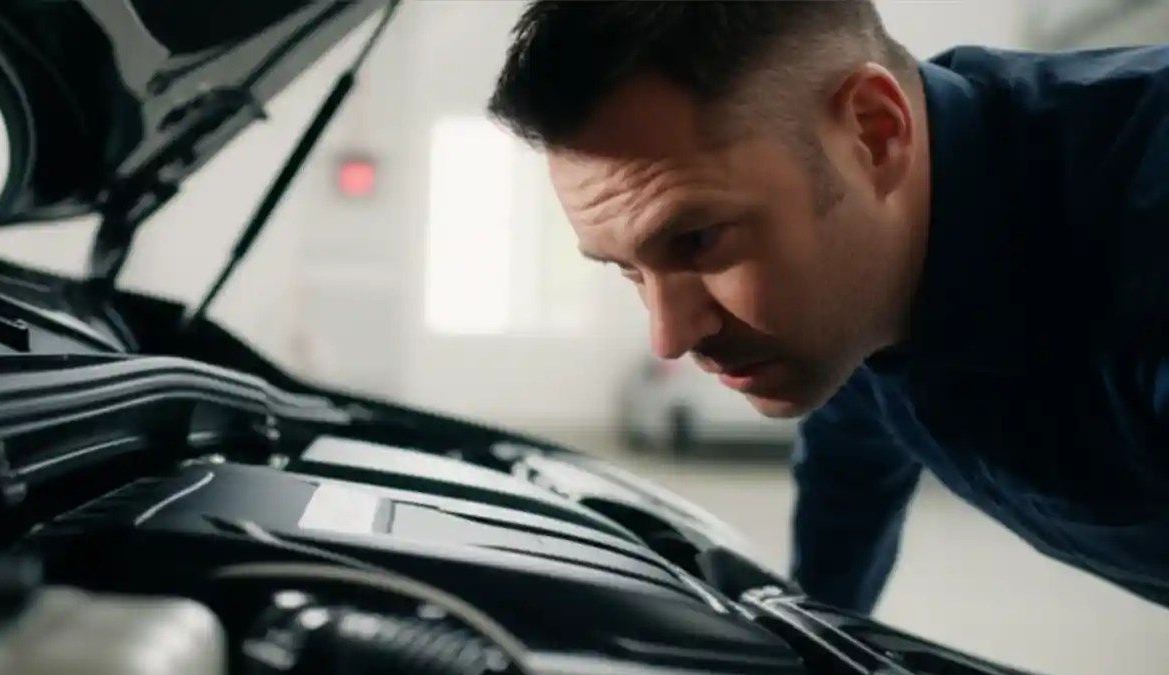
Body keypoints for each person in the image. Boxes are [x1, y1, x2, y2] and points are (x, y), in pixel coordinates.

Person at [485, 1, 1169, 614]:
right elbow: (851, 465)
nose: (669, 336)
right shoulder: (855, 288)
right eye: (629, 271)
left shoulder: (1142, 211)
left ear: (875, 132)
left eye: (698, 240)